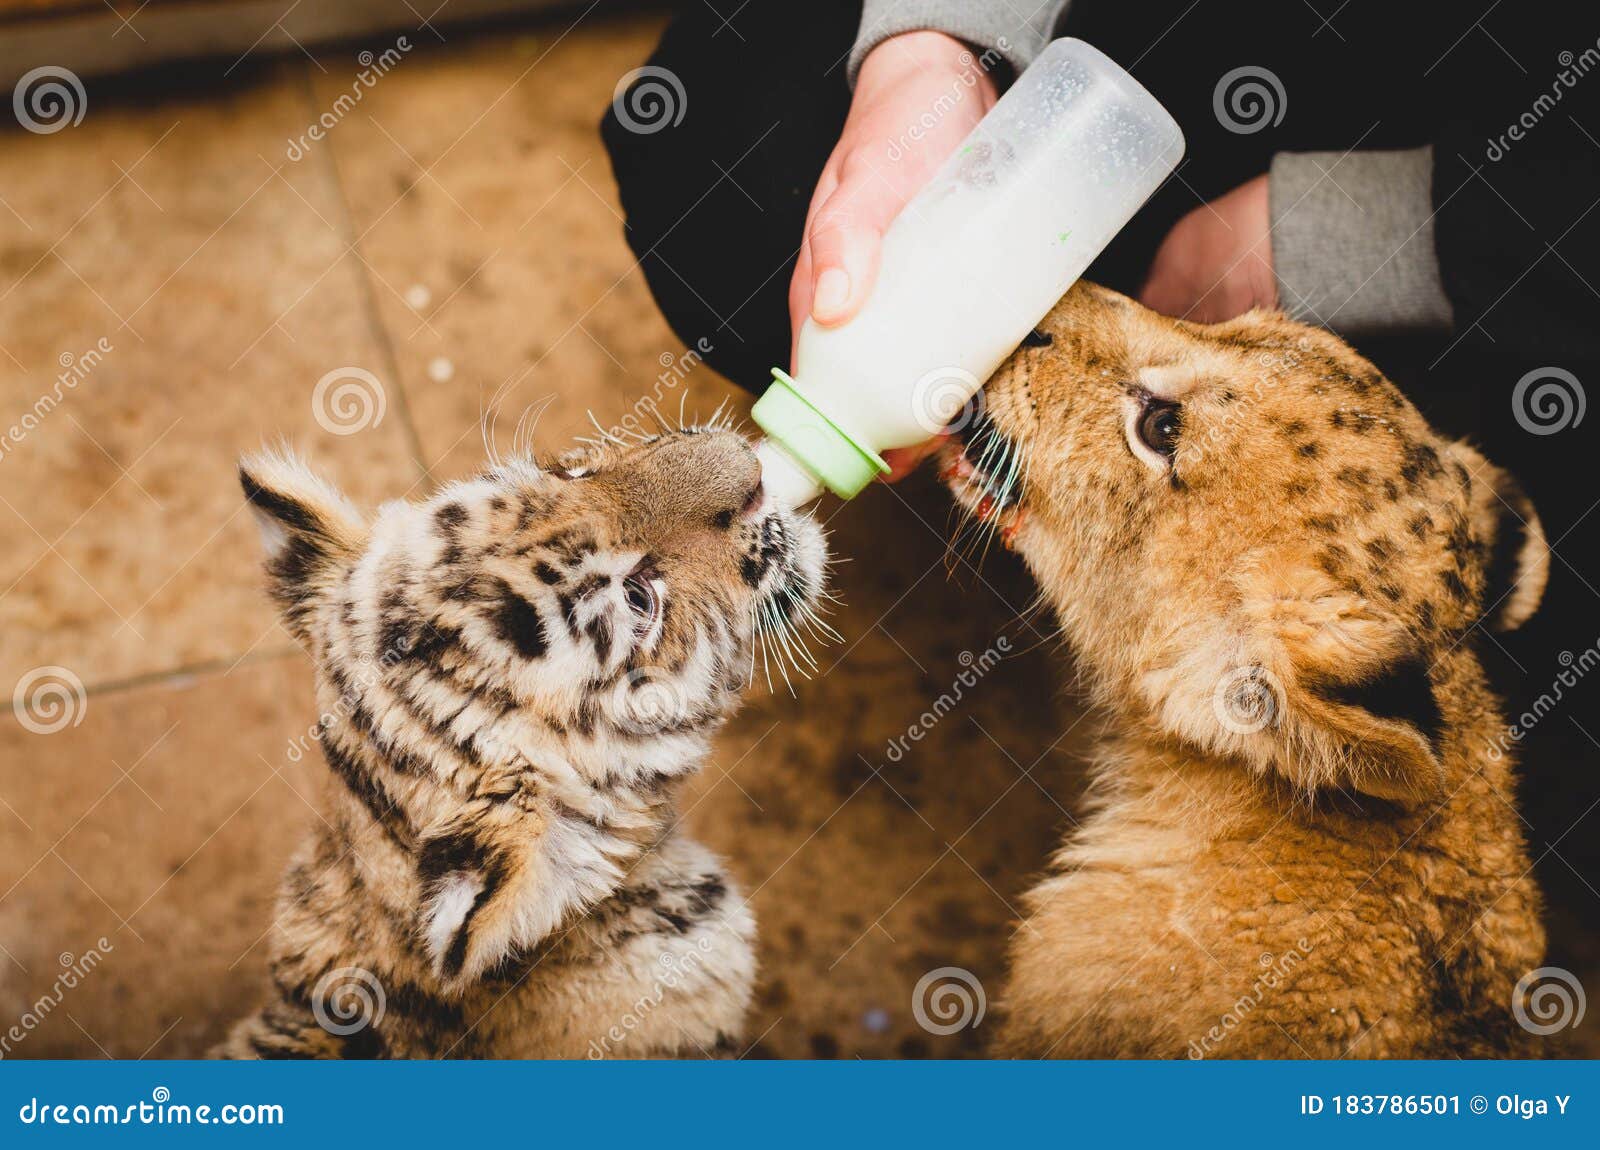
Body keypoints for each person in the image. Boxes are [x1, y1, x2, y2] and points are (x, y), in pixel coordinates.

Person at [603, 0, 1600, 948]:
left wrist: (1370, 234)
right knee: (727, 183)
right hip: (1203, 53)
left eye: (1160, 424)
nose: (1062, 312)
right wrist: (937, 51)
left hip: (1534, 177)